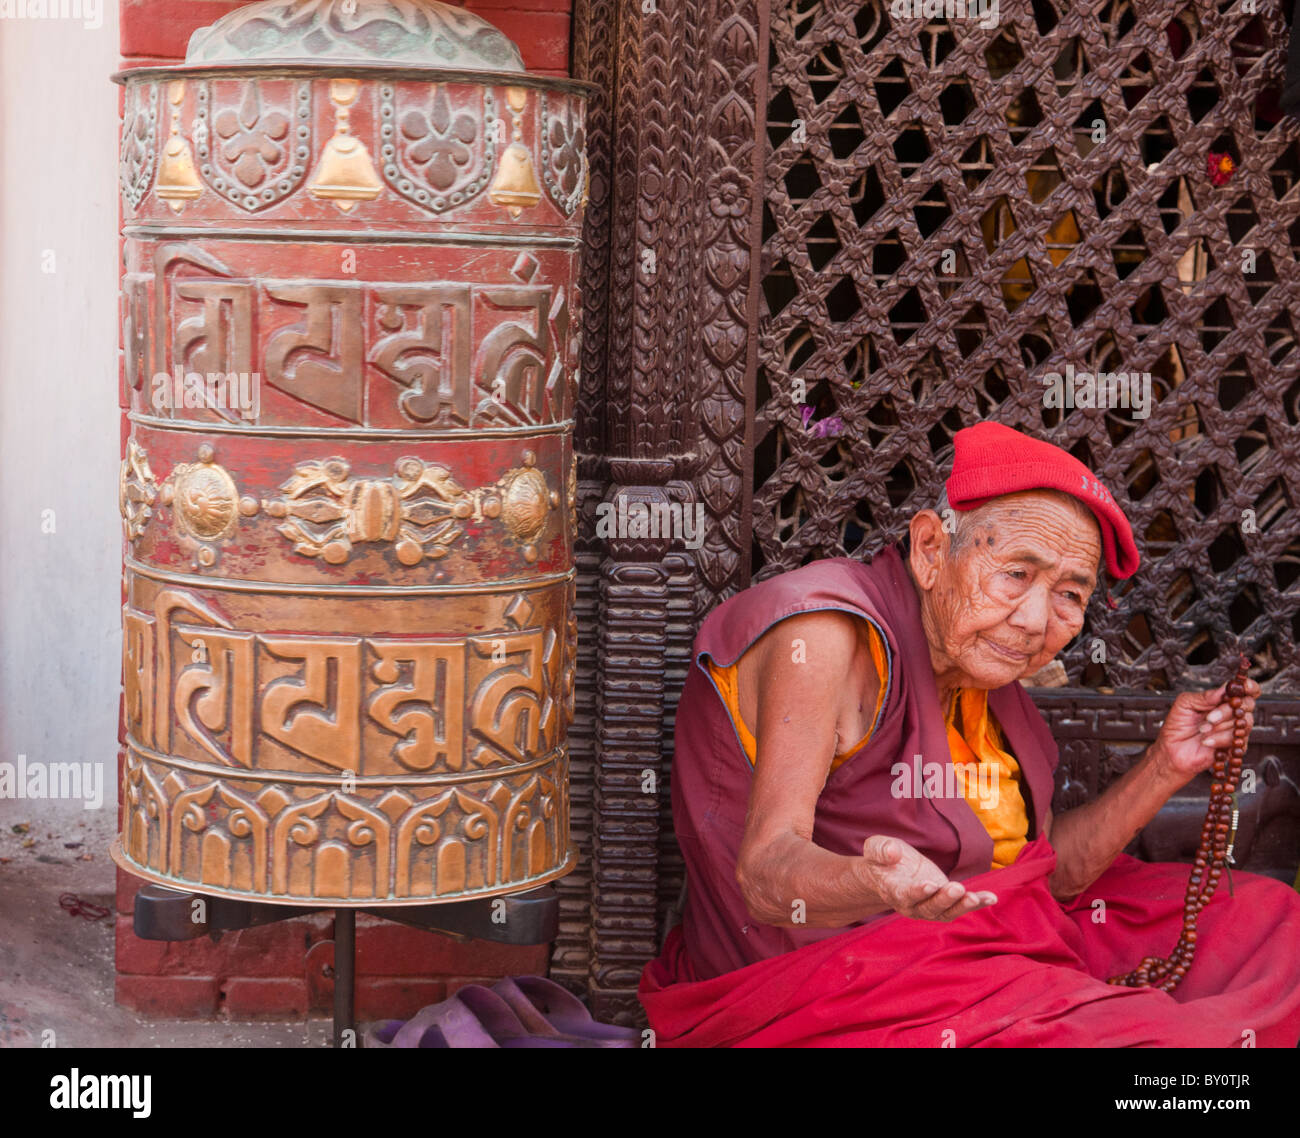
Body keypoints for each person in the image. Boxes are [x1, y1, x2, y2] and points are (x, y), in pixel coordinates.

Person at [638, 421, 1300, 1046]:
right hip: (850, 986)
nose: (1038, 620)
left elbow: (1044, 880)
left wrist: (1165, 764)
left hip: (985, 947)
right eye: (1017, 574)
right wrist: (874, 883)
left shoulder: (983, 675)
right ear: (930, 550)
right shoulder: (825, 634)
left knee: (1274, 924)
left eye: (1072, 594)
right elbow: (764, 873)